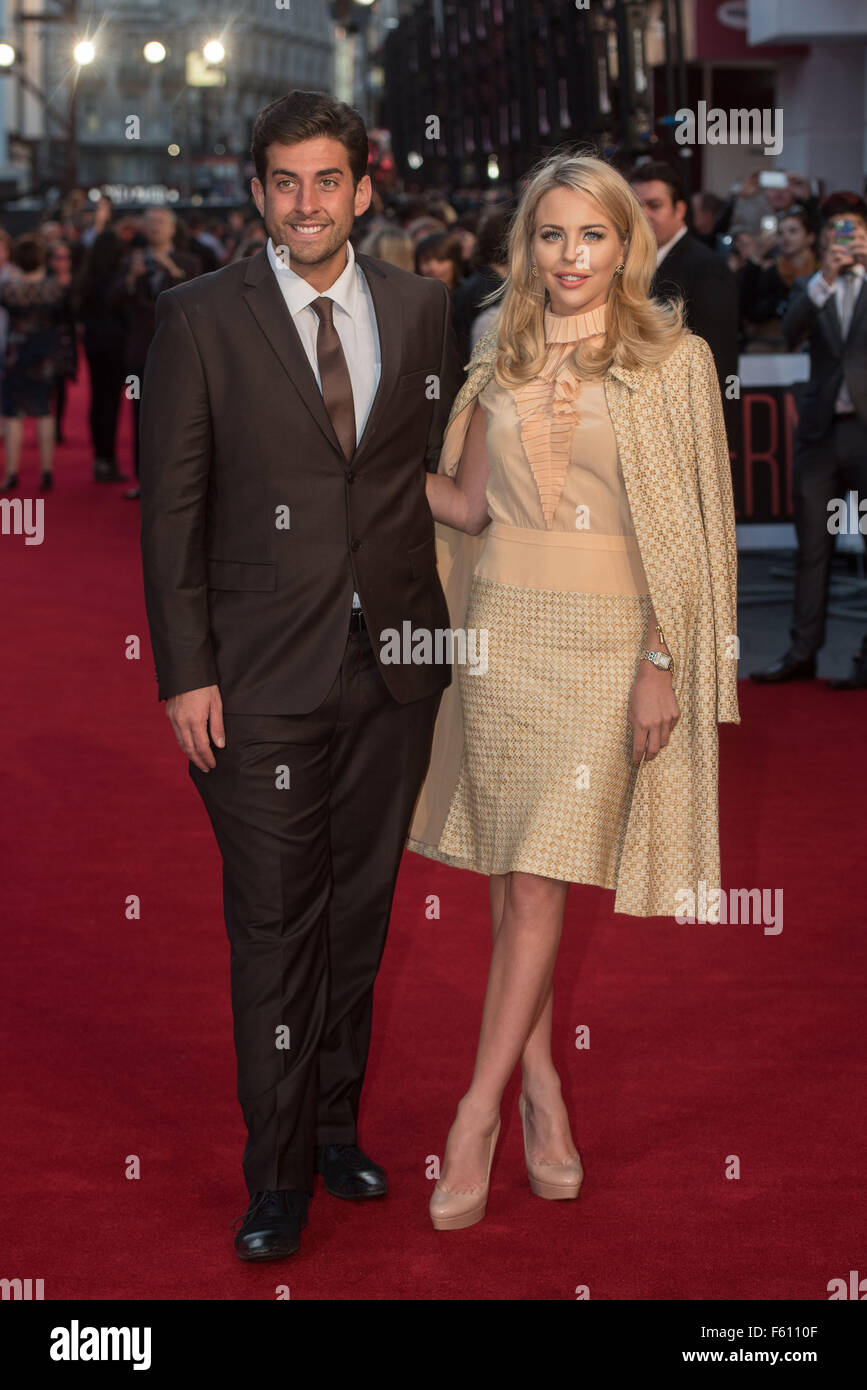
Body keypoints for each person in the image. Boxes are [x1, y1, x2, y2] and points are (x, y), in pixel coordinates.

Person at [138, 89, 463, 1262]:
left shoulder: (425, 309)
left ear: (365, 189)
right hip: (259, 677)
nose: (307, 203)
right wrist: (186, 673)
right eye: (285, 182)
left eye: (328, 180)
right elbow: (170, 513)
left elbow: (428, 476)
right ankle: (275, 1176)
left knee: (361, 918)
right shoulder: (198, 318)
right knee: (278, 923)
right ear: (259, 191)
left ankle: (334, 1126)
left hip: (394, 672)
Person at [408, 152, 740, 1231]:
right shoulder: (494, 353)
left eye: (591, 235)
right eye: (551, 236)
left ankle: (475, 1115)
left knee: (542, 884)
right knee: (517, 884)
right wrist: (343, 457)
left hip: (609, 647)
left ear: (626, 242)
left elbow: (694, 530)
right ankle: (545, 1093)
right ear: (527, 246)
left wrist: (664, 659)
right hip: (502, 641)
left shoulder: (673, 358)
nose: (570, 256)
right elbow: (464, 506)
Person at [751, 196, 867, 689]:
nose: (846, 240)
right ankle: (803, 653)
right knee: (811, 549)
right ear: (822, 240)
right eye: (838, 232)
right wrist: (824, 280)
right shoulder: (809, 286)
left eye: (855, 231)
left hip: (866, 433)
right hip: (820, 435)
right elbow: (792, 331)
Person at [109, 206, 201, 499]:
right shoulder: (131, 262)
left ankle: (179, 482)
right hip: (140, 355)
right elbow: (110, 301)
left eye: (161, 222)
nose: (156, 227)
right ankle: (143, 480)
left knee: (181, 418)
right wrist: (131, 279)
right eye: (150, 222)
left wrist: (173, 272)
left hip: (180, 355)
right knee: (140, 418)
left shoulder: (188, 262)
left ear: (173, 228)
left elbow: (200, 303)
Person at [630, 160, 739, 395]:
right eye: (637, 206)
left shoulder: (707, 267)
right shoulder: (629, 262)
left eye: (654, 205)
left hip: (687, 413)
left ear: (679, 210)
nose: (644, 215)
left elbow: (717, 358)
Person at [0, 233, 71, 493]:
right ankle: (47, 470)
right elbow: (65, 318)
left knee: (13, 415)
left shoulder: (8, 289)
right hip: (45, 355)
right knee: (44, 412)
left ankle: (11, 473)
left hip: (15, 355)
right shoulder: (55, 289)